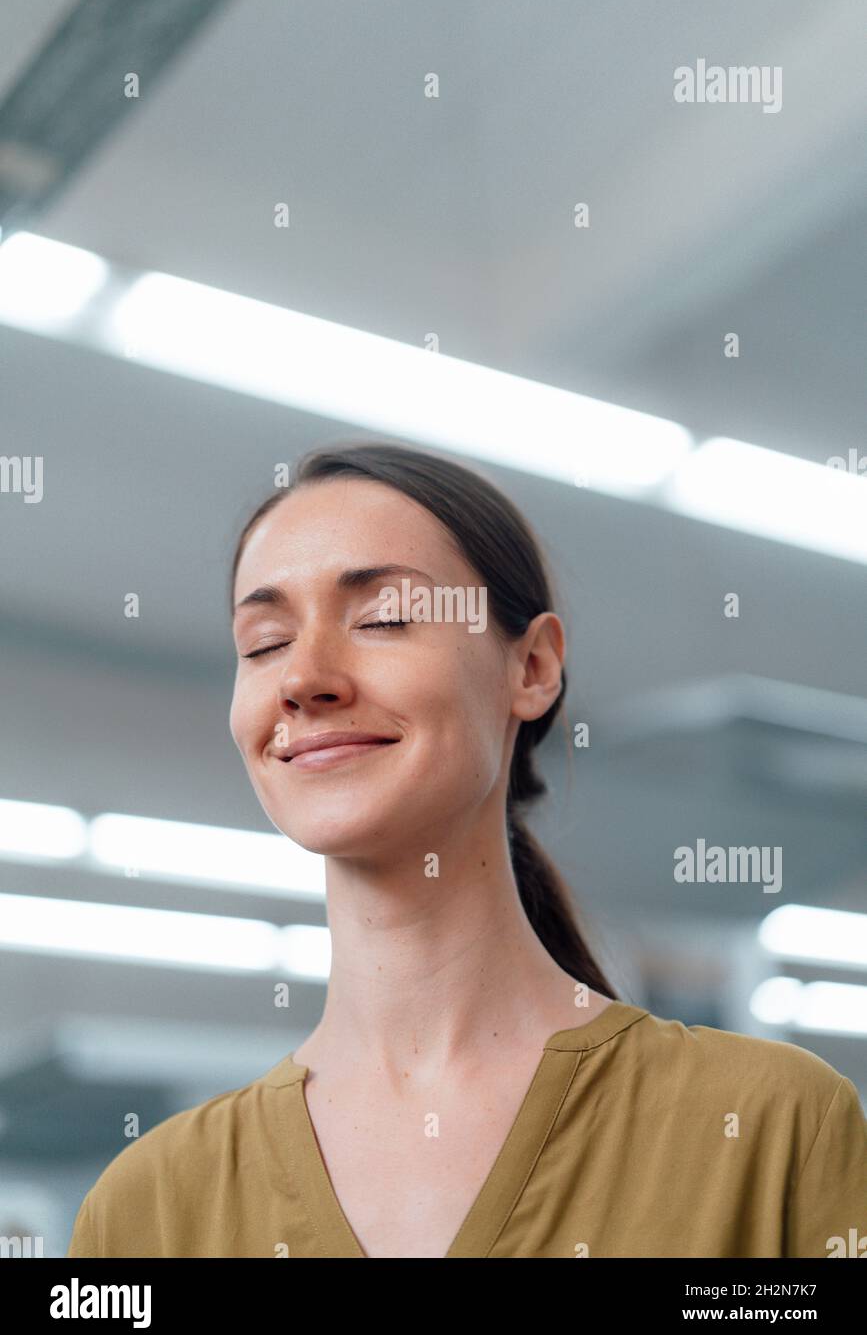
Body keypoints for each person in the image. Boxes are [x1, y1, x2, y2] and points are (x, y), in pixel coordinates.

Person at [68, 441, 866, 1258]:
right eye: (265, 642)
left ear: (531, 666)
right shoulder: (145, 1213)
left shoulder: (769, 1131)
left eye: (382, 618)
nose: (303, 678)